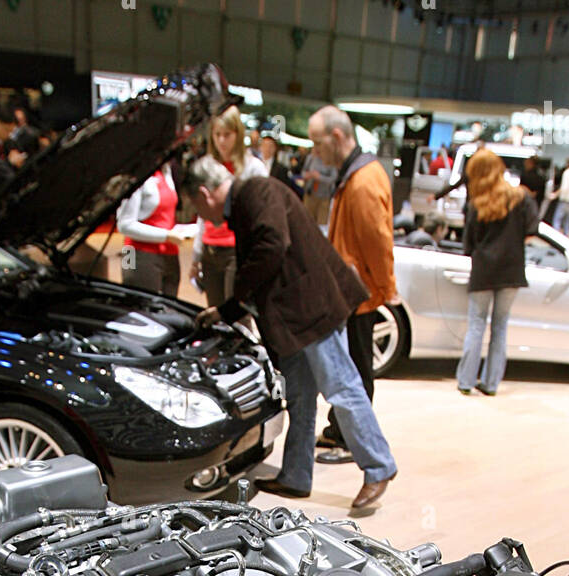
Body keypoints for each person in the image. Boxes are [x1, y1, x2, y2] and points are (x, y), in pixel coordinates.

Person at [184, 155, 397, 514]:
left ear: (204, 193)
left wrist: (234, 298)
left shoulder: (255, 191)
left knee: (341, 387)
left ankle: (379, 466)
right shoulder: (249, 199)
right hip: (300, 316)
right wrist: (227, 310)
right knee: (300, 396)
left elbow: (272, 244)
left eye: (196, 206)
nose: (201, 217)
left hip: (312, 310)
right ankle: (296, 476)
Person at [308, 106, 396, 460]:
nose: (315, 153)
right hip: (351, 290)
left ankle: (350, 440)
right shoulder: (356, 174)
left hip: (359, 292)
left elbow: (378, 242)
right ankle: (339, 429)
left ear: (338, 137)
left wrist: (385, 289)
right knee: (350, 365)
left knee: (356, 369)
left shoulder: (362, 181)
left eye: (317, 144)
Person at [456, 149, 538, 397]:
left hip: (483, 269)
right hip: (512, 269)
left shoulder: (475, 204)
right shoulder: (521, 198)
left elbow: (468, 245)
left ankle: (465, 381)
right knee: (500, 327)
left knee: (476, 324)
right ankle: (491, 384)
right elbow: (532, 231)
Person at [190, 107, 265, 305]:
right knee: (214, 313)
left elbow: (263, 212)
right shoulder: (206, 165)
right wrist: (196, 255)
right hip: (209, 248)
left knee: (236, 313)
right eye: (217, 135)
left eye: (227, 135)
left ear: (238, 135)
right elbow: (202, 214)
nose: (222, 141)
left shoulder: (253, 167)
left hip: (237, 250)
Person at [117, 164, 196, 297]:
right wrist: (166, 235)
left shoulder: (167, 171)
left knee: (168, 309)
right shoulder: (136, 174)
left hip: (169, 252)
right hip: (134, 253)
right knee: (138, 306)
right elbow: (124, 225)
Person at [259, 130, 301, 196]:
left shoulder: (281, 169)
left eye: (270, 146)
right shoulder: (256, 165)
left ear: (275, 148)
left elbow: (285, 189)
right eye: (265, 146)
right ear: (260, 147)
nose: (267, 149)